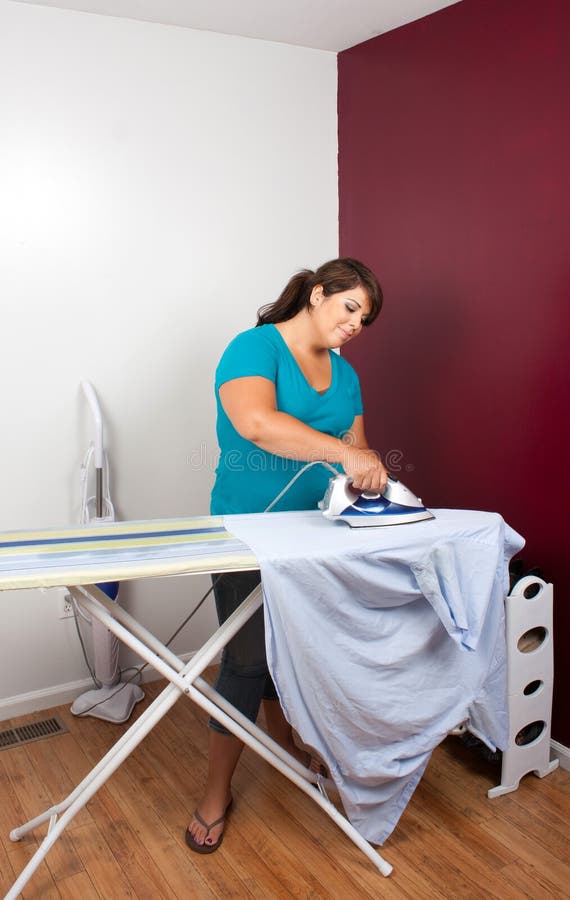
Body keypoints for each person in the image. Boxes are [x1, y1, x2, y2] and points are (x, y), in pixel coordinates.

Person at [186, 257, 386, 853]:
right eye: (350, 307)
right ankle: (216, 790)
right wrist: (345, 454)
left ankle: (285, 744)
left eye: (365, 320)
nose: (355, 325)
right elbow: (255, 424)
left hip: (317, 534)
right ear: (319, 293)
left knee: (298, 645)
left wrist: (374, 482)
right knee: (246, 662)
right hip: (250, 528)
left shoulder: (345, 376)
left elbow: (358, 450)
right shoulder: (254, 347)